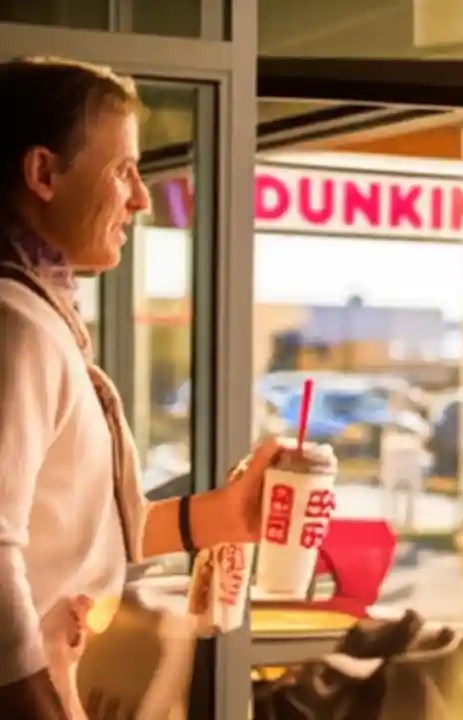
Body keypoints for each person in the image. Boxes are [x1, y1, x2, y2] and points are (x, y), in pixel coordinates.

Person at [0, 57, 279, 719]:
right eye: (121, 168)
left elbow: (76, 532)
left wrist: (227, 514)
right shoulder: (16, 325)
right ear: (43, 173)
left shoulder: (42, 315)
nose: (142, 197)